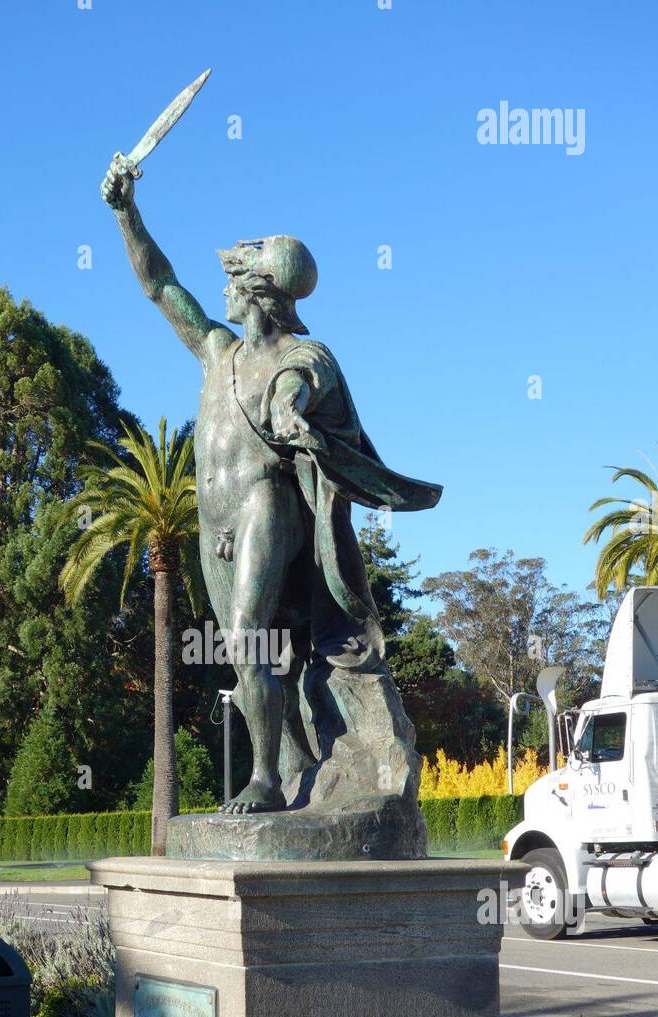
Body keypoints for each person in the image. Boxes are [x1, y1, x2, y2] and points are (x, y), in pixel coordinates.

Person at [100, 156, 441, 813]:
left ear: (259, 290)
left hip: (264, 505)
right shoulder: (216, 350)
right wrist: (124, 212)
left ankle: (260, 779)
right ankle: (290, 769)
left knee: (252, 637)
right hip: (213, 521)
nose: (220, 293)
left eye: (231, 282)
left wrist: (289, 407)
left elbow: (302, 382)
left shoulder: (299, 355)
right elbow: (158, 283)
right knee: (247, 653)